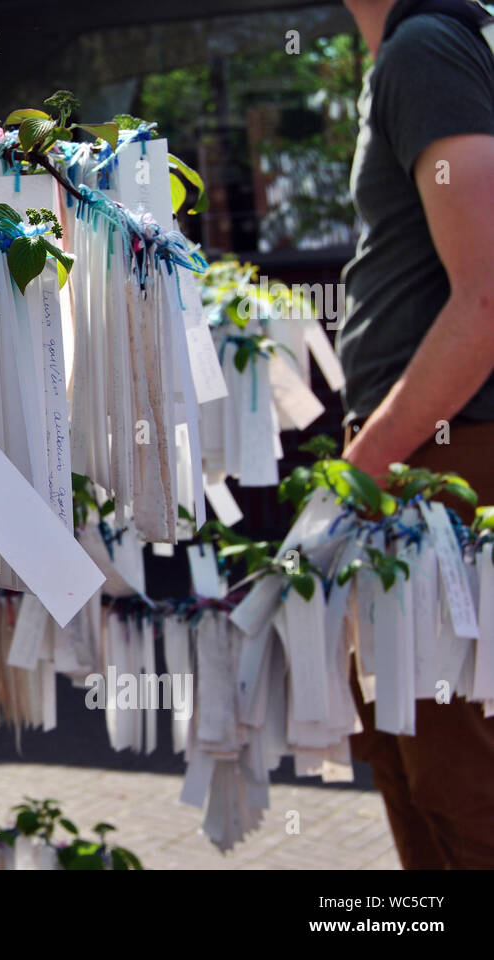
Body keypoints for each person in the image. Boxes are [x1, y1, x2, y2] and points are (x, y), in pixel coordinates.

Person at [338, 0, 494, 868]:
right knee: (414, 758)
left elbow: (486, 296)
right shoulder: (419, 49)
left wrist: (364, 466)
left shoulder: (426, 49)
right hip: (427, 464)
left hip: (443, 467)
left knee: (459, 784)